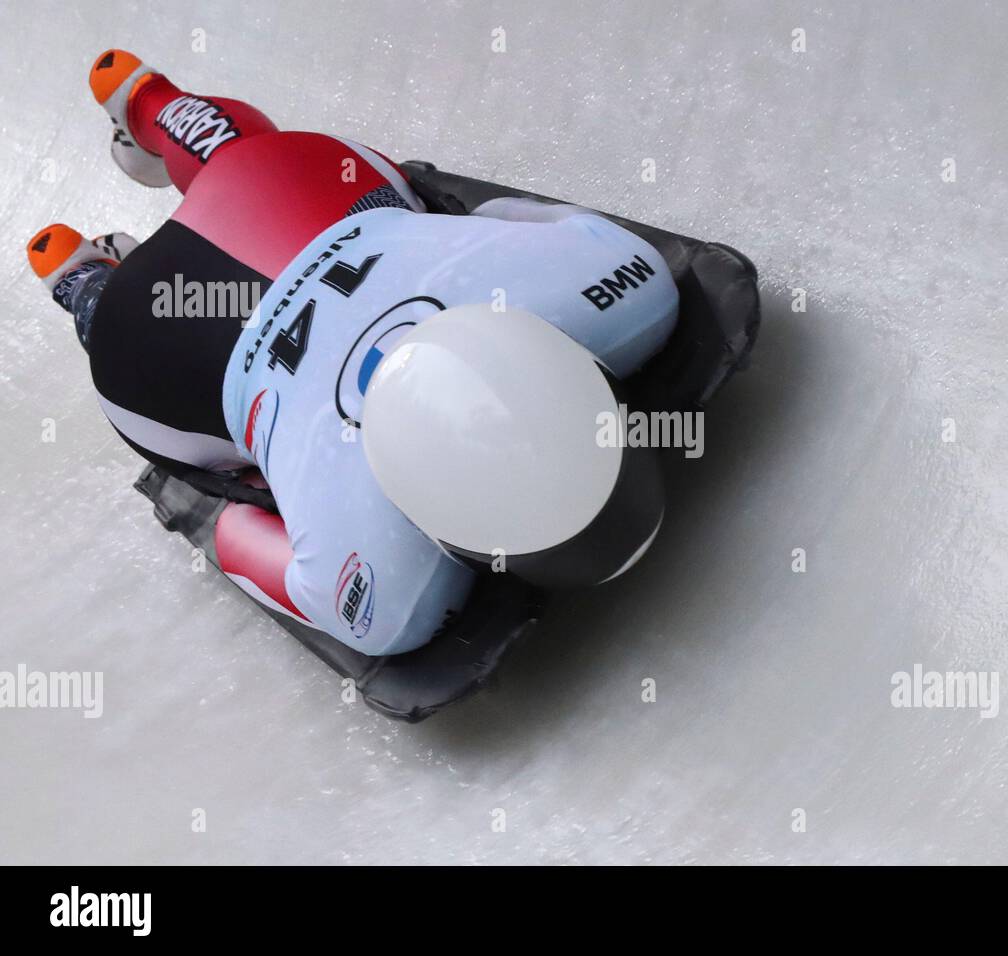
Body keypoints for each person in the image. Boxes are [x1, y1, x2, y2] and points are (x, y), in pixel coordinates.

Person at [27, 50, 679, 655]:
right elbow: (235, 537)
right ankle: (88, 285)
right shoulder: (387, 600)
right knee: (128, 338)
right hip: (164, 333)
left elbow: (503, 217)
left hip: (292, 204)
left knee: (246, 158)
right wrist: (268, 488)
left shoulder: (631, 291)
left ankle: (148, 105)